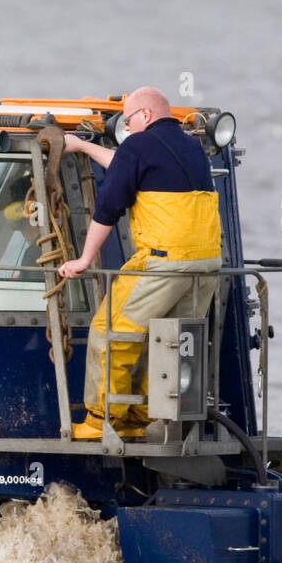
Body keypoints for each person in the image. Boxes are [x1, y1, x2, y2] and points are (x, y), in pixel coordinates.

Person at [58, 87, 223, 440]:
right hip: (205, 266)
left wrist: (84, 259)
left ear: (145, 116)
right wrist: (84, 146)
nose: (127, 127)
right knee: (164, 339)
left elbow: (108, 207)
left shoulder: (137, 145)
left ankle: (100, 419)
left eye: (128, 120)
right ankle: (138, 415)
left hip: (164, 262)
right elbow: (127, 164)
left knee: (110, 330)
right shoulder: (191, 146)